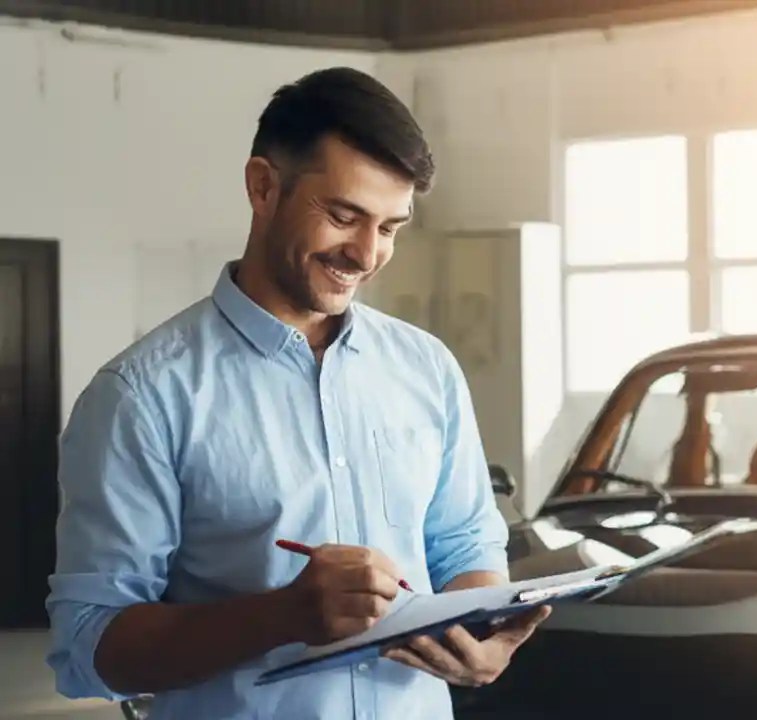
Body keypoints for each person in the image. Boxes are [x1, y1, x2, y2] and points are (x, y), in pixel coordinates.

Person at [45, 66, 548, 718]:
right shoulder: (141, 395)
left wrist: (487, 639)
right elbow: (89, 644)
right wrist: (282, 615)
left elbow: (464, 546)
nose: (367, 254)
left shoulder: (428, 369)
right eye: (344, 215)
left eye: (390, 227)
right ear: (263, 187)